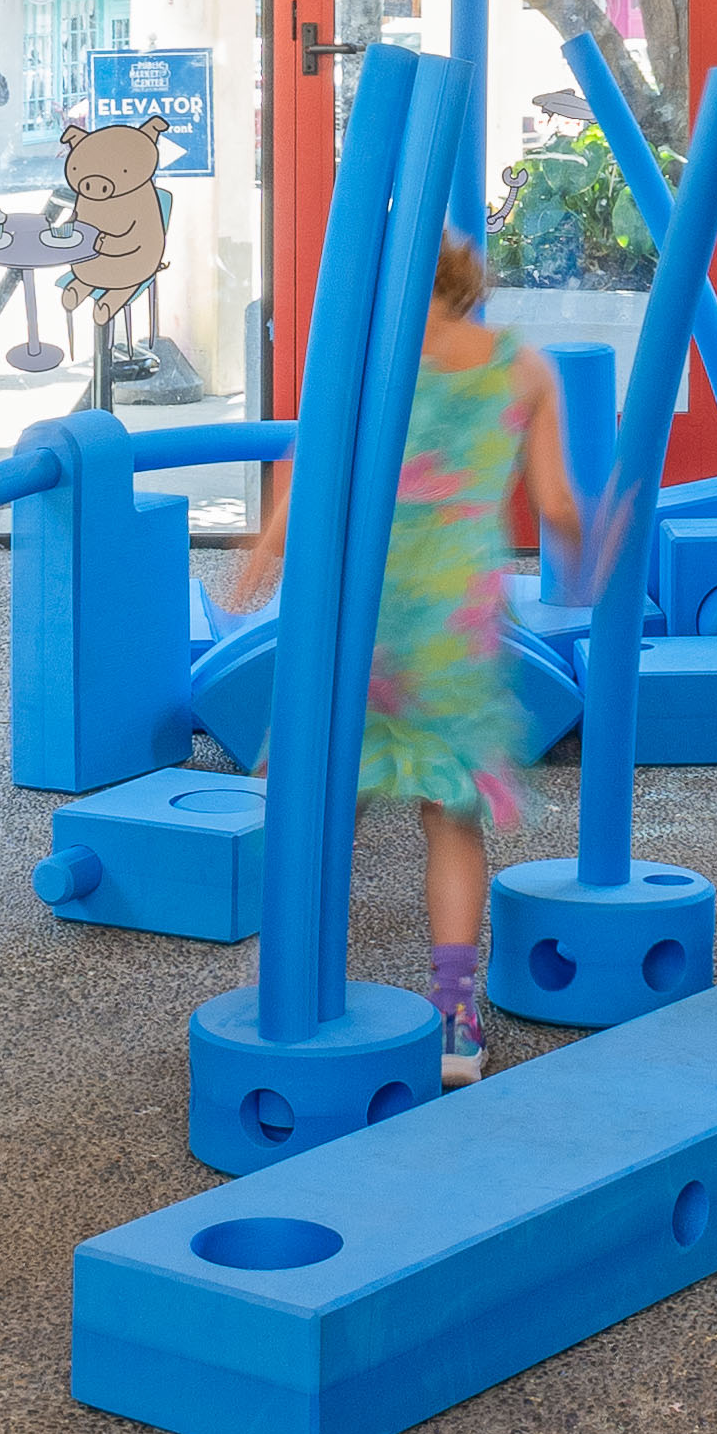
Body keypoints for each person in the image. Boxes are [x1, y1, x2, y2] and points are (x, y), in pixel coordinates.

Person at [233, 232, 588, 1082]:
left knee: (330, 803)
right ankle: (455, 1016)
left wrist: (263, 556)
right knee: (450, 811)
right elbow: (556, 501)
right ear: (466, 284)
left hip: (363, 606)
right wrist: (600, 540)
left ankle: (299, 985)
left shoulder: (366, 363)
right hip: (454, 613)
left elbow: (308, 471)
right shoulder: (524, 367)